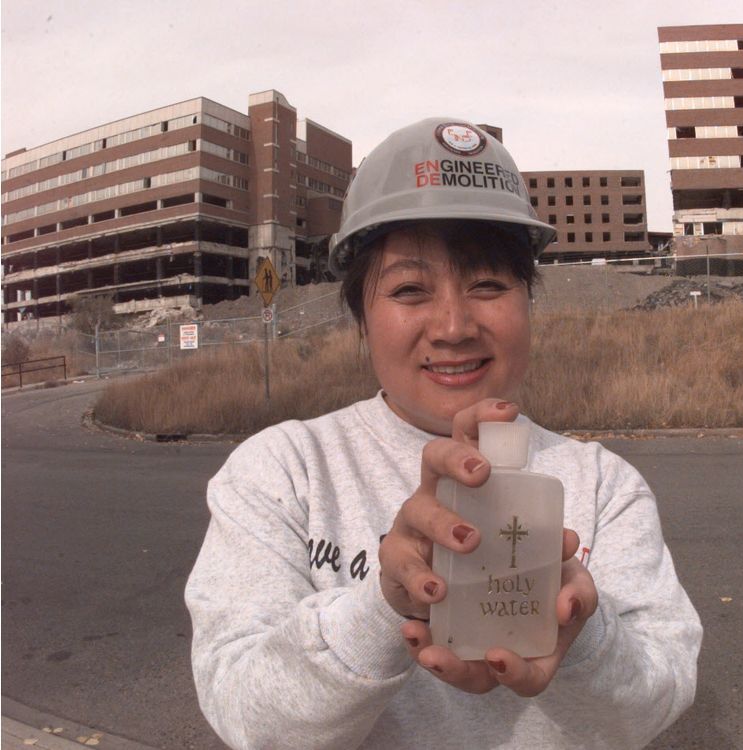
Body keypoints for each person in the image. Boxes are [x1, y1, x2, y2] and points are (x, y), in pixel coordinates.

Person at [184, 118, 702, 750]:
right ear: (361, 317)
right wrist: (385, 605)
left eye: (488, 284)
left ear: (529, 302)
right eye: (410, 289)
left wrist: (580, 631)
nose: (454, 325)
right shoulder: (282, 471)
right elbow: (248, 717)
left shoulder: (605, 487)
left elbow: (659, 700)